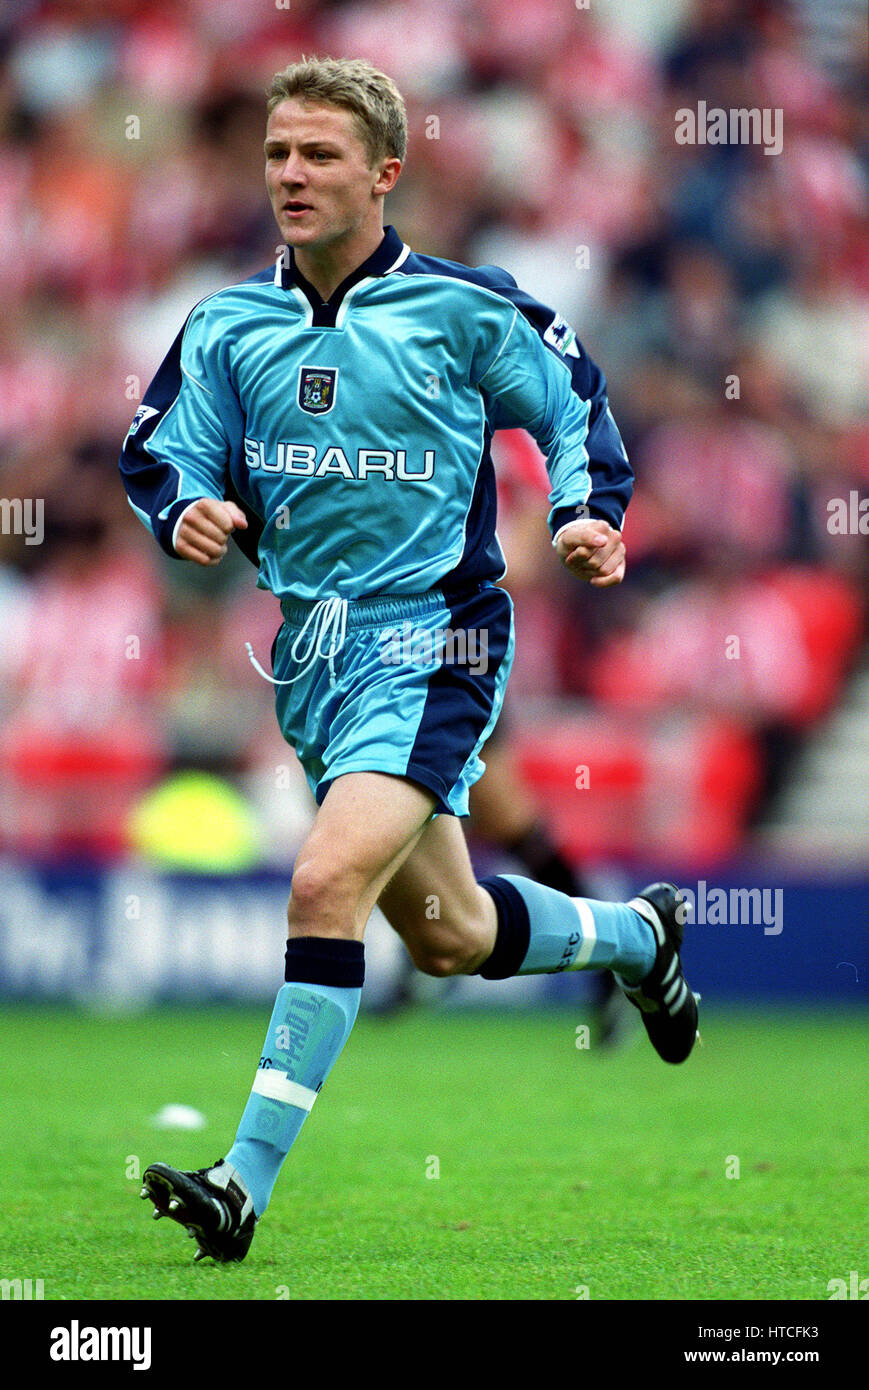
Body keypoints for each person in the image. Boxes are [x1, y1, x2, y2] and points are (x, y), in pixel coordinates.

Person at [120, 56, 699, 1266]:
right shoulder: (229, 322)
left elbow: (570, 400)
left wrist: (586, 514)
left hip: (438, 639)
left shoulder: (462, 305)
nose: (289, 173)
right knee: (446, 932)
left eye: (318, 154)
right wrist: (184, 508)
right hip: (313, 659)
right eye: (277, 152)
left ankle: (241, 1182)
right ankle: (641, 938)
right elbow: (162, 446)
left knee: (323, 884)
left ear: (384, 173)